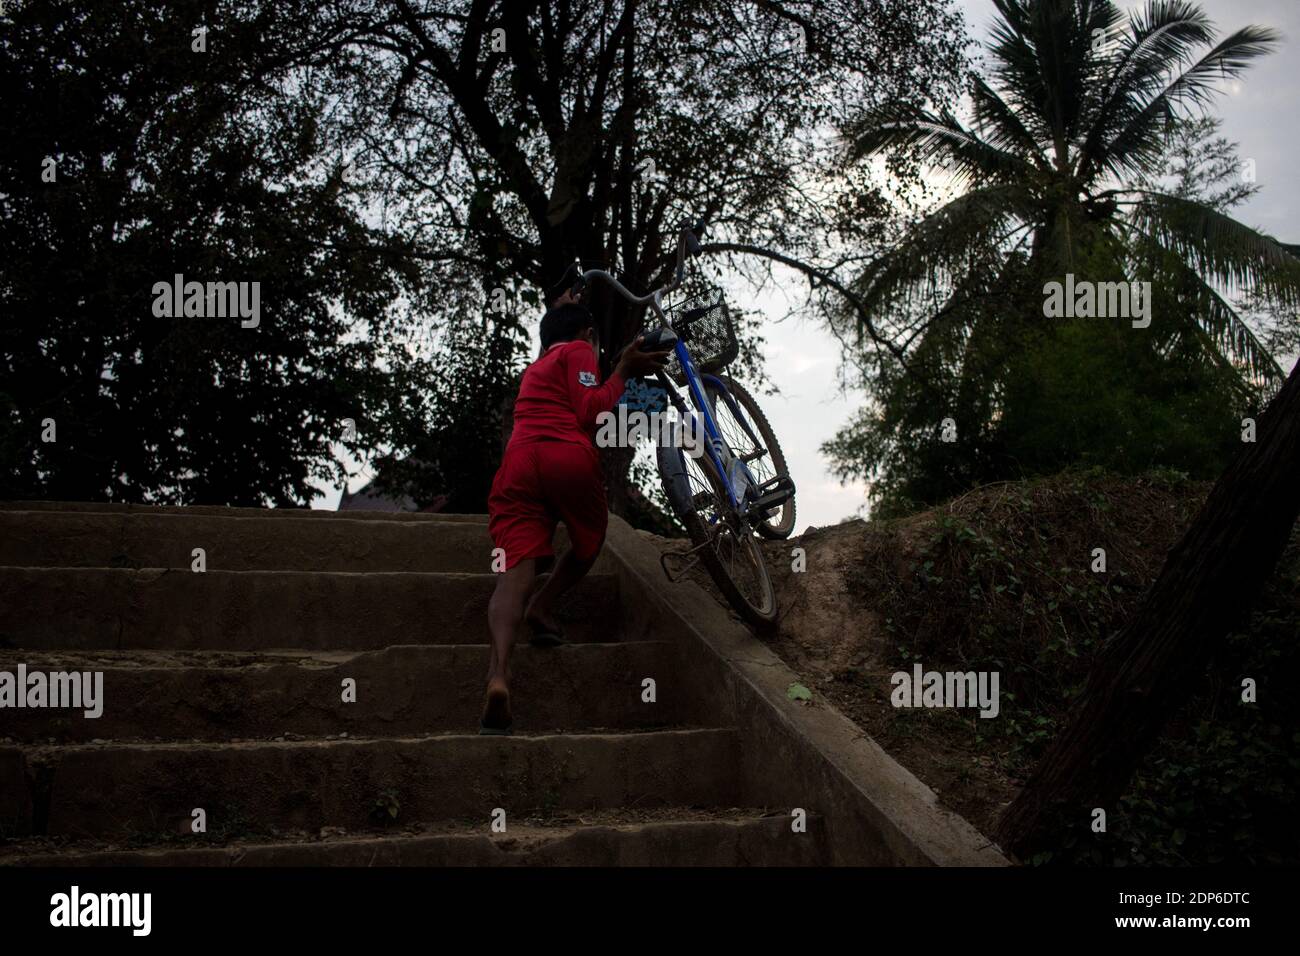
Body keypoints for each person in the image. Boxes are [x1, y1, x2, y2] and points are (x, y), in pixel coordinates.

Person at [480, 290, 670, 734]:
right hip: (565, 455)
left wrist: (559, 310)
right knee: (590, 539)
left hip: (518, 465)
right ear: (587, 334)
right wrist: (621, 370)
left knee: (513, 573)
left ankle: (498, 676)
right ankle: (543, 606)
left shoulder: (537, 367)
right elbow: (589, 411)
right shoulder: (580, 349)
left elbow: (557, 346)